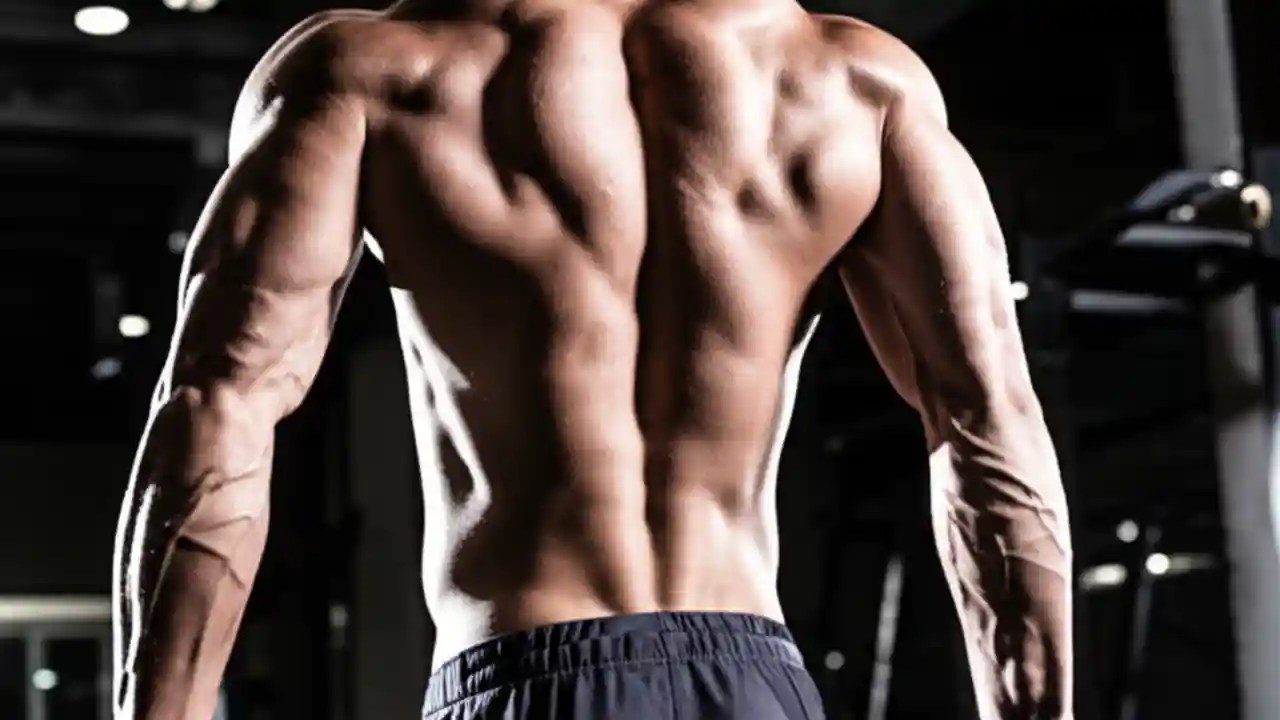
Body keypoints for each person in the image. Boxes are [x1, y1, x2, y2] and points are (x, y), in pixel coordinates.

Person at [111, 0, 1073, 717]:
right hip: (754, 682)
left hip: (522, 673)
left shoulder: (374, 70)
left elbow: (219, 409)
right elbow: (989, 425)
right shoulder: (854, 81)